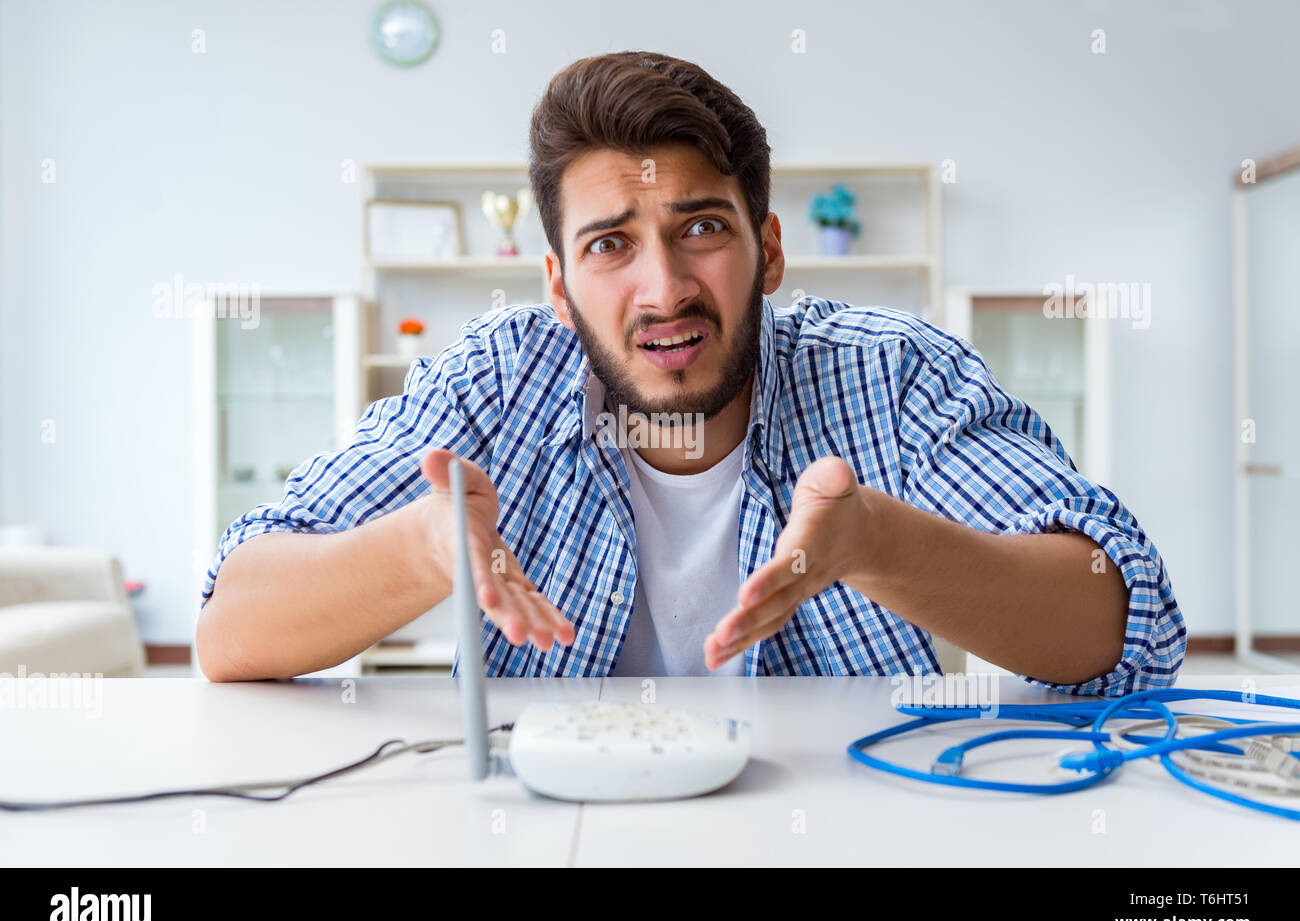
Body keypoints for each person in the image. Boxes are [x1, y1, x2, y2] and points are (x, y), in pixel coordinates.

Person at [196, 50, 1186, 692]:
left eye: (700, 229)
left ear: (771, 251)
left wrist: (877, 542)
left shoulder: (890, 375)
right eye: (610, 245)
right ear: (556, 283)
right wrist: (420, 550)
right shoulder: (493, 385)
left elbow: (1123, 617)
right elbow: (229, 627)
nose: (663, 288)